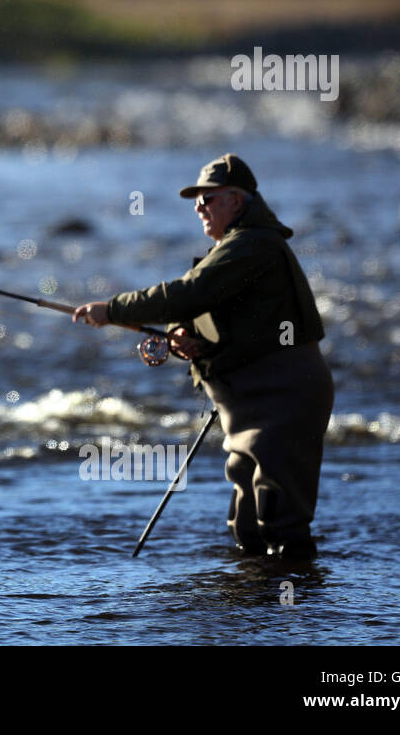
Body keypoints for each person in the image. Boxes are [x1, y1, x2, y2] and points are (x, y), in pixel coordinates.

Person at [72, 154, 333, 561]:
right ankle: (258, 612)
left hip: (283, 397)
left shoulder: (254, 244)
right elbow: (220, 313)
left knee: (281, 521)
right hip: (250, 404)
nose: (198, 207)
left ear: (236, 200)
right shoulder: (239, 247)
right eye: (196, 200)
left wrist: (114, 310)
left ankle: (297, 617)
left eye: (206, 199)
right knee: (247, 526)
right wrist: (185, 334)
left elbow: (190, 292)